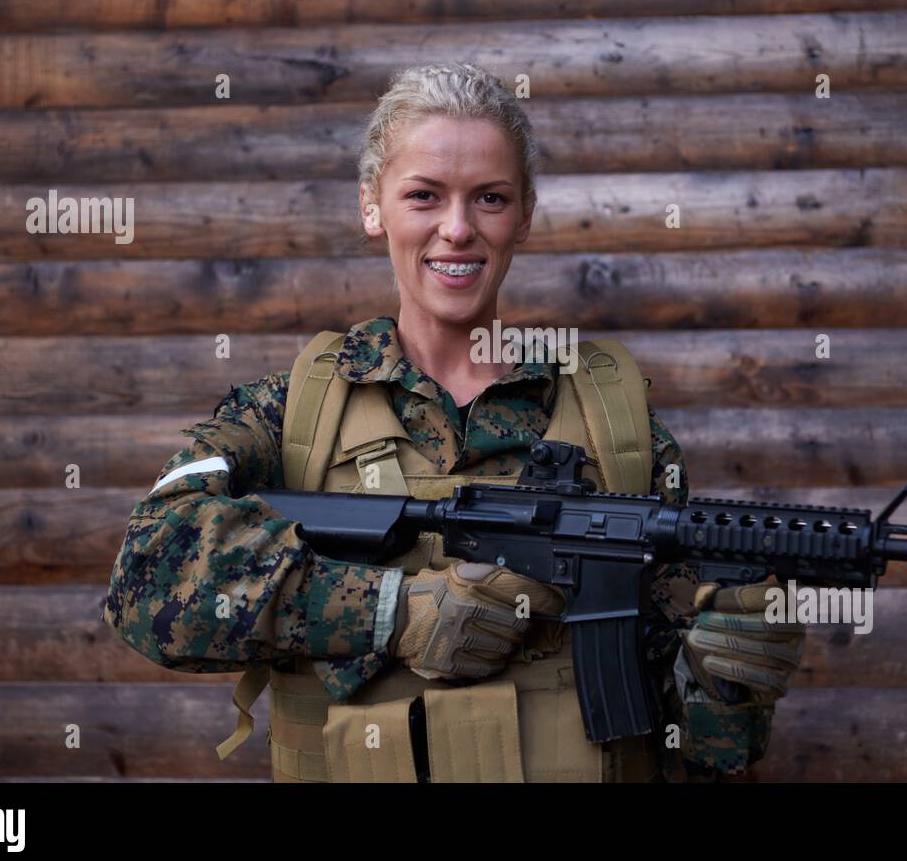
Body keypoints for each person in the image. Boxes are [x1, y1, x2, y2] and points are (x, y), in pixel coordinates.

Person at [103, 61, 804, 782]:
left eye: (490, 198)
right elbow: (145, 577)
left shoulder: (613, 425)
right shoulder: (291, 415)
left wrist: (730, 682)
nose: (459, 229)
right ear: (373, 206)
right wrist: (390, 613)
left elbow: (704, 750)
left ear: (525, 214)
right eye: (424, 196)